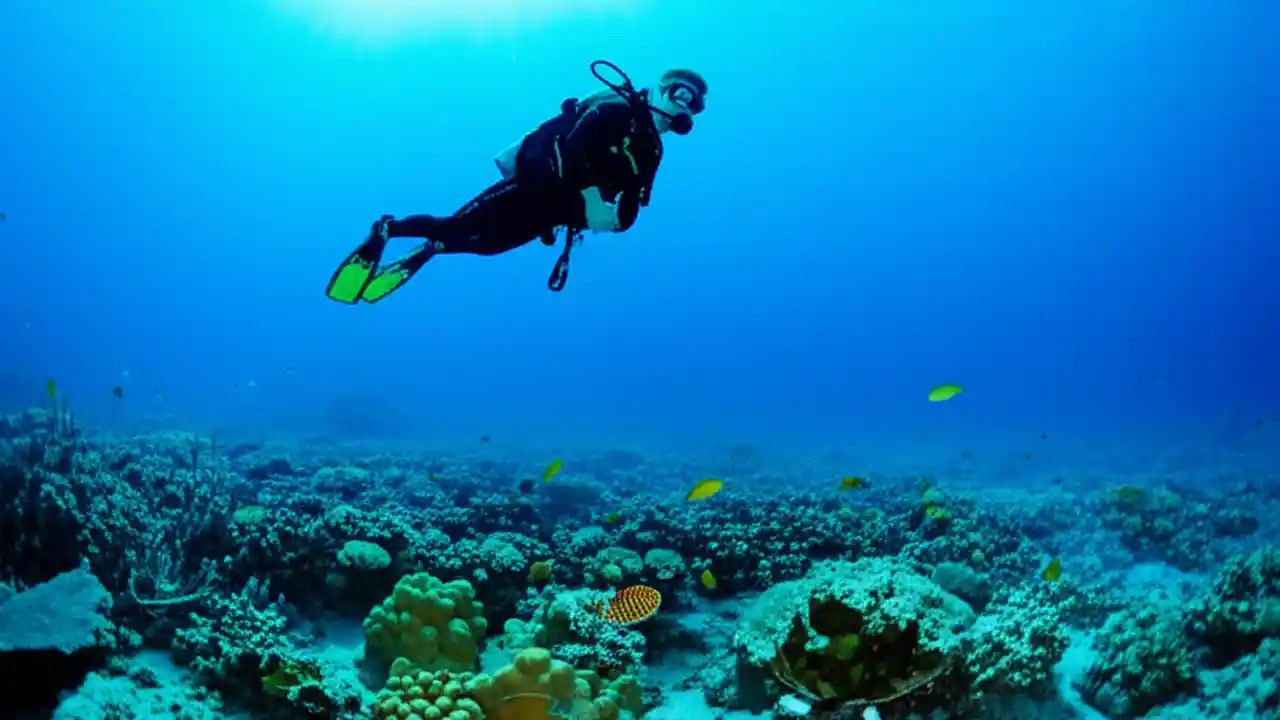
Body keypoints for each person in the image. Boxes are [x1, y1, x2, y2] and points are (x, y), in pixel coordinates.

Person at [325, 60, 708, 304]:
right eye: (681, 93)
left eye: (694, 105)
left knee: (487, 246)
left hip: (553, 215)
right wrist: (591, 196)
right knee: (459, 225)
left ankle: (431, 250)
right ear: (663, 87)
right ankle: (387, 229)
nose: (684, 106)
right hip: (531, 187)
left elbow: (633, 205)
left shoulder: (652, 151)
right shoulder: (612, 111)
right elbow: (574, 147)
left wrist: (613, 221)